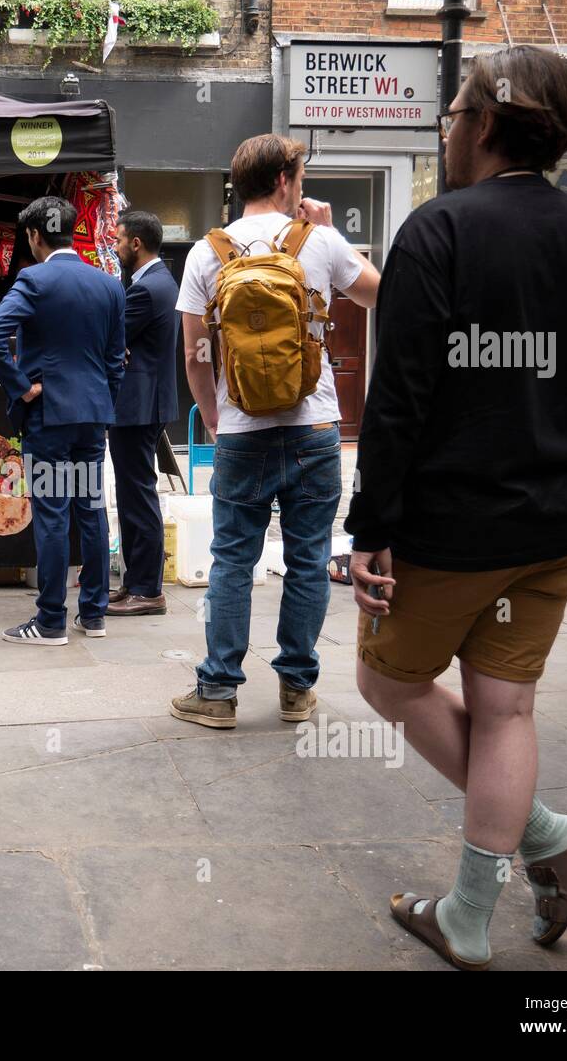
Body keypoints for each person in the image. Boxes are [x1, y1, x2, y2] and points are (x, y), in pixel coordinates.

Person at [345, 46, 567, 970]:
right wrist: (566, 484)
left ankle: (531, 853)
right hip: (553, 529)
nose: (446, 126)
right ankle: (498, 885)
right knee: (506, 710)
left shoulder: (440, 231)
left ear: (481, 122)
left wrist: (371, 528)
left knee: (387, 684)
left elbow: (399, 401)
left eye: (454, 110)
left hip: (451, 528)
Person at [170, 133, 380, 730]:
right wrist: (331, 230)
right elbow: (377, 291)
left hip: (242, 432)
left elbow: (195, 354)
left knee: (233, 560)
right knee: (309, 559)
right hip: (314, 427)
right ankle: (296, 689)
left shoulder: (207, 252)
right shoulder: (321, 240)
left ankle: (217, 692)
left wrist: (215, 419)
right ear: (287, 180)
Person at [0, 195, 126, 645]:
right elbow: (117, 360)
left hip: (49, 416)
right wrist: (101, 399)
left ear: (34, 236)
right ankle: (94, 615)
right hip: (91, 416)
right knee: (91, 508)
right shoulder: (108, 285)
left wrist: (21, 386)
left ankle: (49, 622)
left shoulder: (34, 280)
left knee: (52, 515)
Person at [107, 210, 179, 617]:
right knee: (133, 493)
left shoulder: (147, 289)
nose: (114, 248)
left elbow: (111, 336)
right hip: (142, 403)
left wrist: (116, 348)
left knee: (138, 496)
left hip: (138, 406)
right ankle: (135, 582)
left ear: (136, 243)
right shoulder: (154, 282)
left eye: (117, 241)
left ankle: (148, 589)